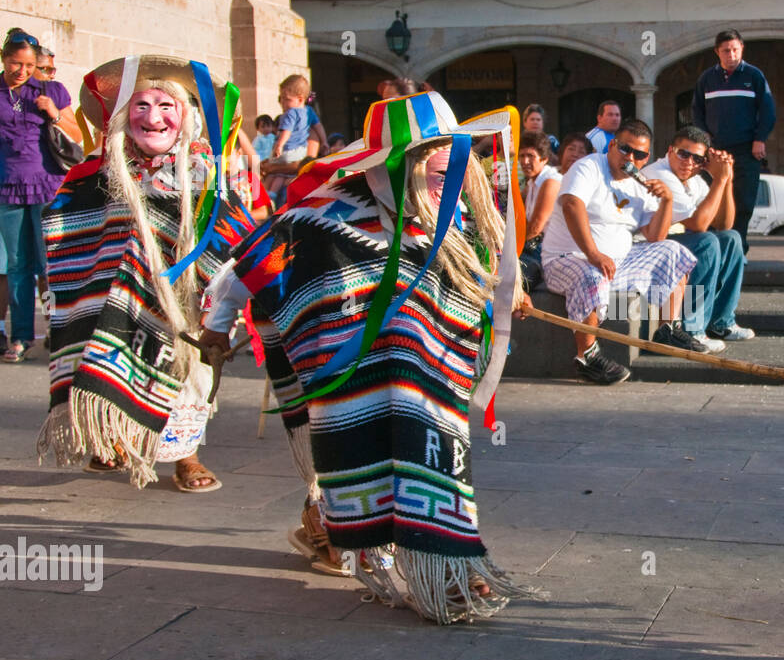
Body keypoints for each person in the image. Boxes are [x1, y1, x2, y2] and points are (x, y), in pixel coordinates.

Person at [198, 91, 540, 621]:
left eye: (451, 148)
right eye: (428, 153)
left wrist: (506, 289)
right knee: (364, 451)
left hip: (431, 375)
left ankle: (440, 560)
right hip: (351, 375)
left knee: (430, 453)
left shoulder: (458, 216)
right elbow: (247, 267)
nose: (444, 162)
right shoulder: (325, 215)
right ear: (390, 161)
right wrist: (218, 328)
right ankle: (347, 529)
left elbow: (482, 271)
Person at [38, 55, 256, 493]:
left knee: (188, 370)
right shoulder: (98, 176)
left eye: (165, 106)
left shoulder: (206, 178)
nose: (152, 117)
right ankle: (115, 439)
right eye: (140, 106)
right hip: (114, 298)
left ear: (186, 116)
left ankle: (184, 455)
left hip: (185, 301)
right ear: (122, 116)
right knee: (108, 354)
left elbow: (233, 237)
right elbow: (68, 233)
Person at [541, 119, 701, 384]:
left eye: (639, 155)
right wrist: (593, 254)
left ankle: (667, 328)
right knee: (591, 275)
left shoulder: (639, 182)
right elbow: (571, 204)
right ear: (612, 145)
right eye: (625, 149)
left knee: (673, 250)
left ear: (646, 157)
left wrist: (667, 201)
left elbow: (654, 236)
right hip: (568, 258)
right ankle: (587, 358)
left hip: (617, 260)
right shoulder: (590, 166)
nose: (630, 158)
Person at [643, 125, 755, 349]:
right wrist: (719, 181)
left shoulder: (693, 179)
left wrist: (727, 178)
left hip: (672, 245)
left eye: (697, 159)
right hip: (649, 248)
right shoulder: (661, 173)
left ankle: (722, 322)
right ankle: (693, 328)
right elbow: (699, 224)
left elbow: (724, 224)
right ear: (670, 151)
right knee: (707, 243)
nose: (689, 162)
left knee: (731, 238)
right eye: (683, 154)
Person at [0, 29, 74, 363]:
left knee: (51, 263)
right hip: (6, 186)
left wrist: (54, 113)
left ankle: (59, 329)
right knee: (17, 264)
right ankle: (20, 338)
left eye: (30, 65)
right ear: (4, 60)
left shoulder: (51, 90)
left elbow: (78, 135)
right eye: (16, 64)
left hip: (47, 184)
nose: (23, 71)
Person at [692, 29, 776, 253]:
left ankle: (739, 250)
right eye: (726, 51)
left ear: (742, 49)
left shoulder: (754, 76)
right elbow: (696, 111)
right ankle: (712, 249)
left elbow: (768, 111)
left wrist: (760, 139)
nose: (731, 54)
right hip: (715, 152)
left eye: (735, 49)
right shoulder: (707, 79)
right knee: (712, 198)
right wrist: (704, 137)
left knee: (743, 201)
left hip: (746, 150)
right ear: (717, 52)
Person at [262, 74, 327, 204]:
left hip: (294, 185)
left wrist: (271, 167)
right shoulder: (300, 115)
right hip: (286, 172)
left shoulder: (310, 132)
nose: (282, 103)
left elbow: (304, 165)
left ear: (300, 99)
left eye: (286, 99)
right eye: (281, 99)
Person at [518, 129, 562, 291]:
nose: (525, 161)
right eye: (522, 156)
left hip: (550, 250)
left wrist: (509, 249)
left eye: (531, 156)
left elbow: (535, 227)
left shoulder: (551, 181)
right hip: (536, 245)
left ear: (544, 159)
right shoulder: (531, 183)